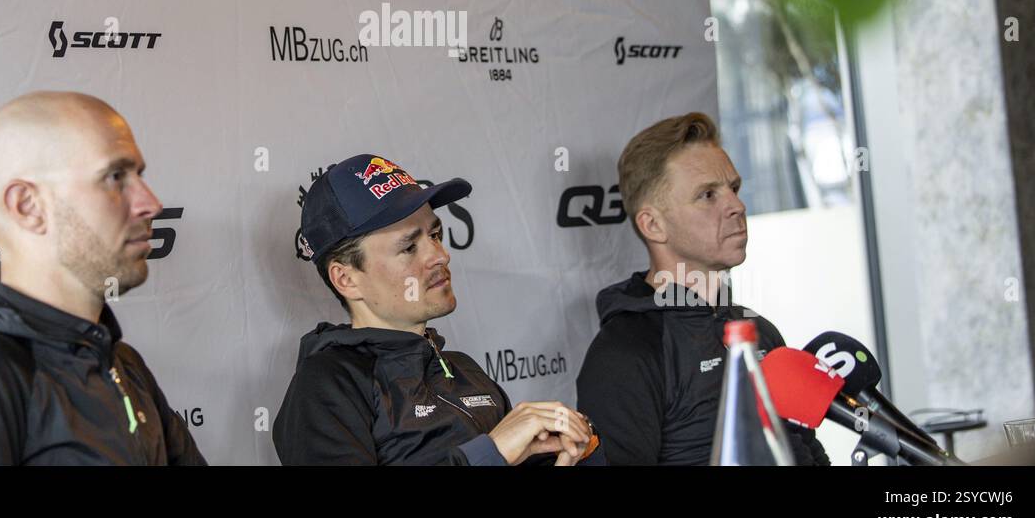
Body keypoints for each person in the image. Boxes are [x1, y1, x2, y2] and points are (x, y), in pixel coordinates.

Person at [0, 91, 205, 465]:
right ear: (28, 206)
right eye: (114, 177)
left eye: (138, 175)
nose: (151, 203)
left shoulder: (122, 363)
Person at [274, 153, 597, 465]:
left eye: (436, 234)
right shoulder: (327, 385)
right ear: (346, 279)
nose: (441, 255)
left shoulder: (464, 370)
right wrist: (490, 454)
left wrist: (581, 450)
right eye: (409, 246)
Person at [577, 112, 830, 465]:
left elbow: (808, 452)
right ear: (653, 225)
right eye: (708, 195)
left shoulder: (761, 332)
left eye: (735, 189)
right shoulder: (625, 353)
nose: (737, 207)